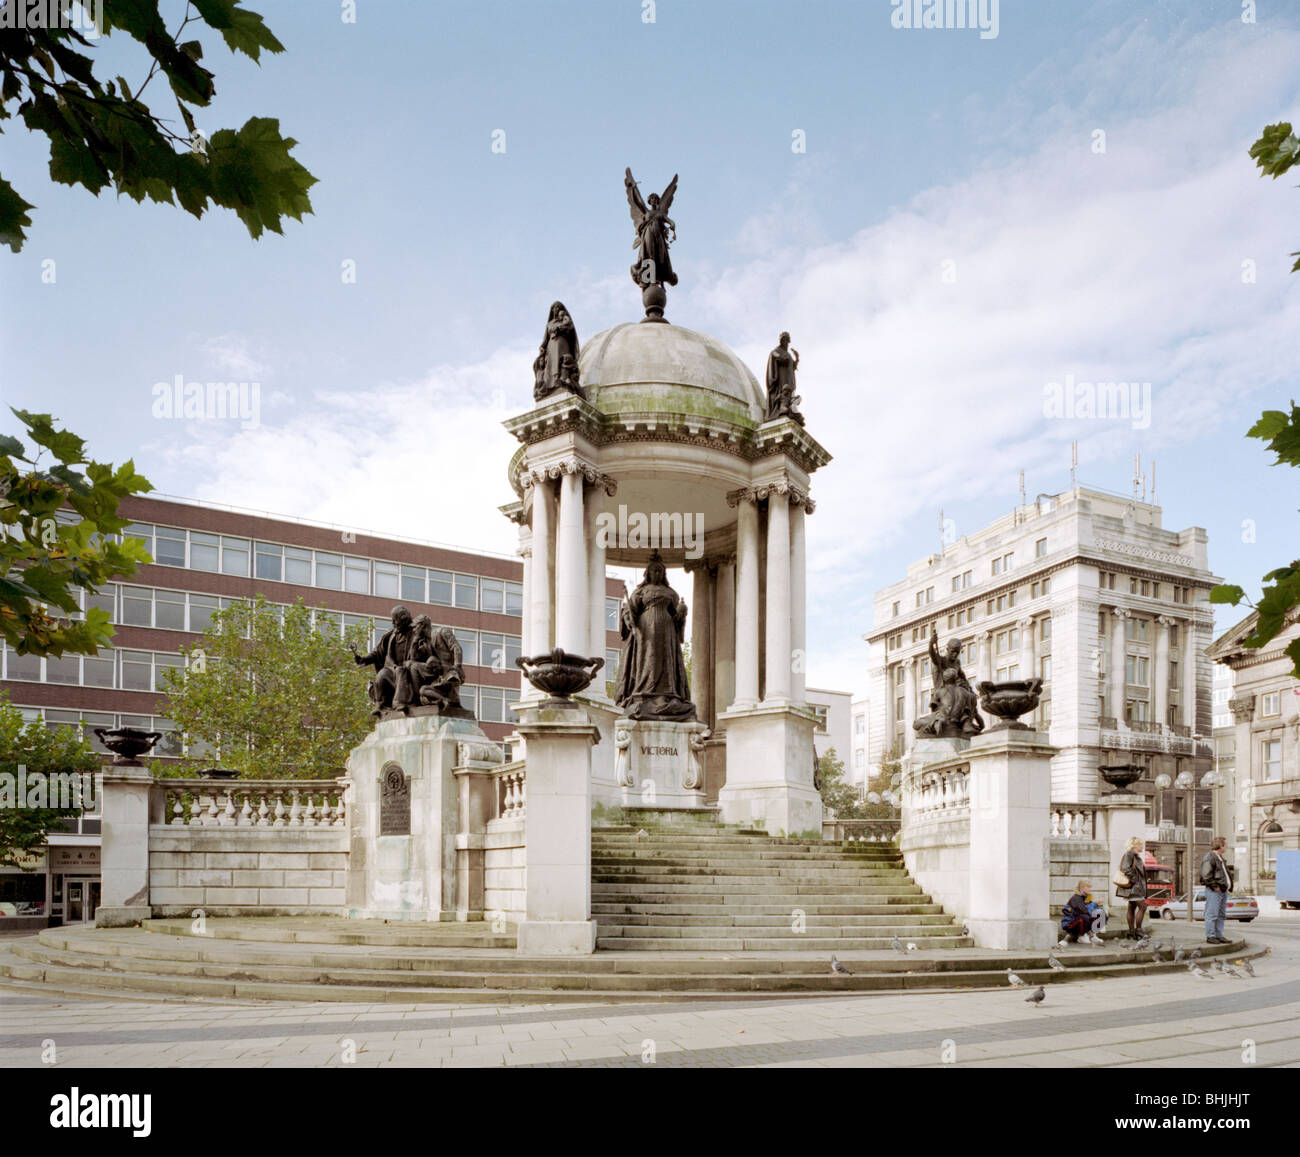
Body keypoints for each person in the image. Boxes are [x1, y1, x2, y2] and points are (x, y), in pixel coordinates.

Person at [1200, 836, 1233, 945]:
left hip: (1222, 890)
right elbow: (1205, 876)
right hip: (1215, 891)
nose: (1227, 846)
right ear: (1221, 846)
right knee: (1212, 914)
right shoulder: (1210, 857)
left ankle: (1218, 935)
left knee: (1220, 914)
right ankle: (1210, 936)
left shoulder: (1219, 857)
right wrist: (1214, 886)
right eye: (1225, 844)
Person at [1115, 836, 1149, 940]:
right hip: (1134, 887)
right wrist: (1135, 880)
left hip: (1135, 887)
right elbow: (1125, 868)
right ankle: (1138, 930)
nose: (1142, 846)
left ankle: (1131, 932)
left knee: (1132, 907)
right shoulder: (1129, 854)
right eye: (1140, 844)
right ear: (1135, 845)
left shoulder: (1135, 856)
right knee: (1143, 906)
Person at [1059, 879, 1102, 947]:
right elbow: (1084, 911)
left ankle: (1092, 935)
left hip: (1078, 920)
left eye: (1090, 887)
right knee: (1085, 917)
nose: (1090, 889)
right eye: (1088, 887)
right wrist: (1094, 903)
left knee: (1100, 914)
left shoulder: (1086, 898)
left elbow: (1090, 910)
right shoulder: (1076, 898)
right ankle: (1082, 936)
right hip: (1070, 923)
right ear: (1082, 887)